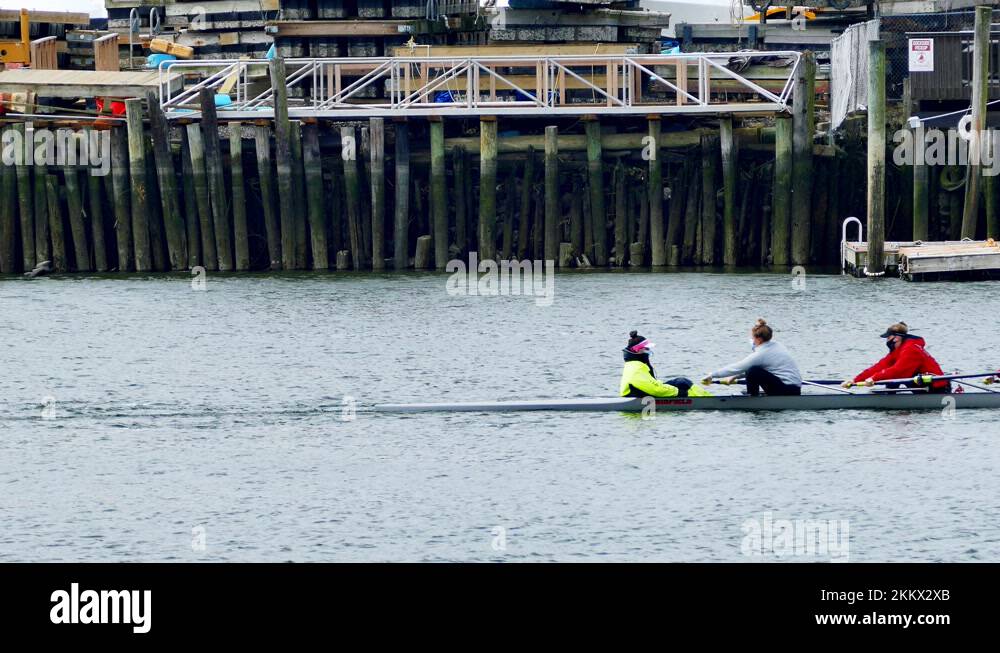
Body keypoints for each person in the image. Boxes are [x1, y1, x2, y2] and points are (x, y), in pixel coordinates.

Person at [701, 319, 803, 396]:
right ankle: (754, 396)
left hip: (787, 391)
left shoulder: (761, 354)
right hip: (795, 388)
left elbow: (737, 367)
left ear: (758, 339)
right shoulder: (777, 345)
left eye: (753, 338)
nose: (752, 340)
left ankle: (752, 398)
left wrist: (712, 375)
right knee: (753, 369)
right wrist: (735, 377)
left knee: (753, 371)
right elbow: (762, 366)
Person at [842, 322, 950, 393]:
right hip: (922, 383)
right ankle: (888, 399)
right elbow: (879, 367)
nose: (887, 341)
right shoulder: (898, 350)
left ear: (897, 338)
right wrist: (854, 380)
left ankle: (889, 401)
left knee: (893, 376)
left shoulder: (911, 349)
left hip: (937, 387)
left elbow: (897, 370)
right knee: (889, 376)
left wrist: (873, 379)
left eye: (888, 337)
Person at [619, 331, 711, 398]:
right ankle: (708, 400)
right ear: (638, 350)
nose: (649, 351)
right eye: (647, 349)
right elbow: (656, 390)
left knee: (681, 382)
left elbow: (652, 385)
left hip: (642, 393)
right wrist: (681, 393)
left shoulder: (635, 364)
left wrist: (669, 388)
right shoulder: (636, 369)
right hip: (637, 397)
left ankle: (706, 398)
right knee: (683, 383)